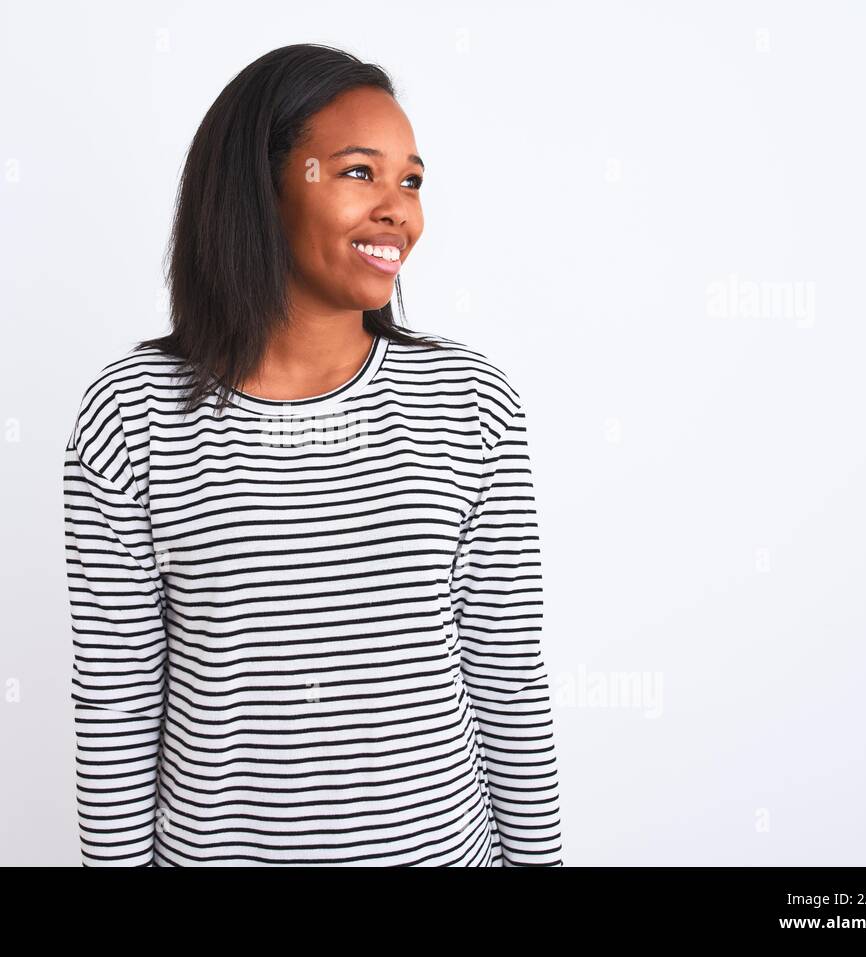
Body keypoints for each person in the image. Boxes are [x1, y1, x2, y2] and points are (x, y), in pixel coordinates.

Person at [62, 43, 564, 866]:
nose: (400, 209)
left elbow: (507, 677)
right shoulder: (135, 413)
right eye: (360, 173)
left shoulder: (469, 402)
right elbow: (116, 710)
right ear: (262, 184)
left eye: (411, 181)